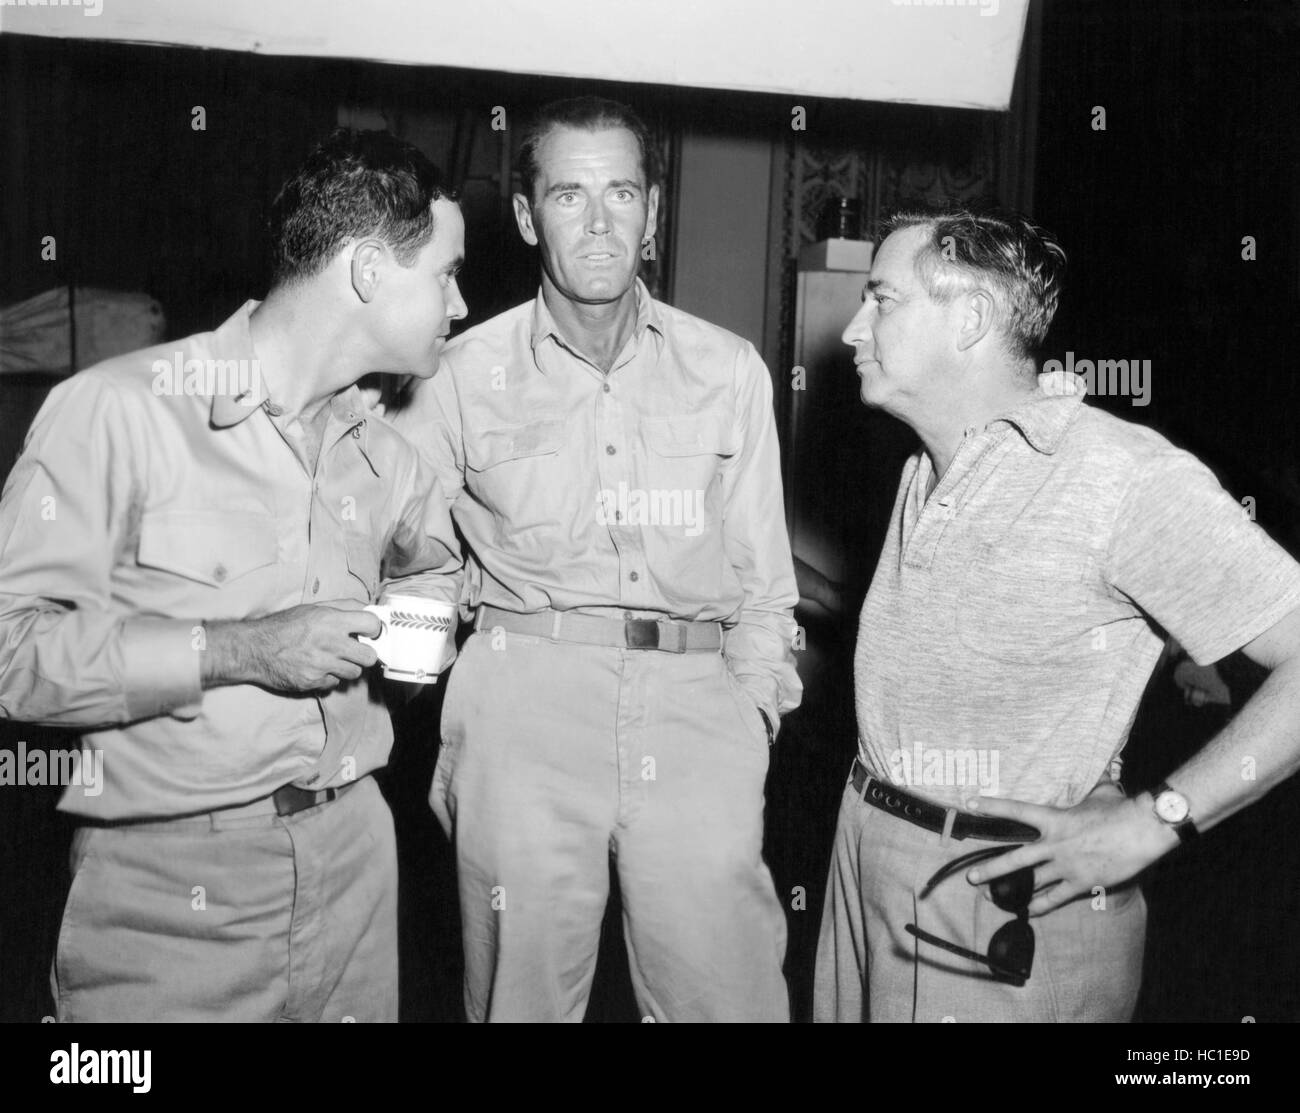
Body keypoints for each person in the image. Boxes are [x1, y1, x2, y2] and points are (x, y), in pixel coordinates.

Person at [0, 128, 467, 1022]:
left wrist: (420, 629)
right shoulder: (119, 414)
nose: (460, 300)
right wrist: (236, 650)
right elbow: (11, 650)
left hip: (358, 867)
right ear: (370, 272)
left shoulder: (385, 449)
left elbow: (438, 571)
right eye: (445, 273)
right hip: (172, 893)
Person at [814, 207, 1300, 1023]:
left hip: (995, 895)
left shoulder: (1122, 477)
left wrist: (1160, 819)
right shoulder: (924, 464)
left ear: (968, 318)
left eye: (881, 299)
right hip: (862, 853)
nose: (853, 330)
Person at [391, 96, 801, 1022]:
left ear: (653, 212)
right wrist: (428, 699)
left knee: (727, 999)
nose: (602, 220)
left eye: (623, 191)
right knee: (520, 1002)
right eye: (570, 196)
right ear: (530, 216)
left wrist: (752, 721)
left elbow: (767, 585)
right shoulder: (455, 373)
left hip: (699, 713)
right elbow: (409, 560)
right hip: (522, 712)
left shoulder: (727, 368)